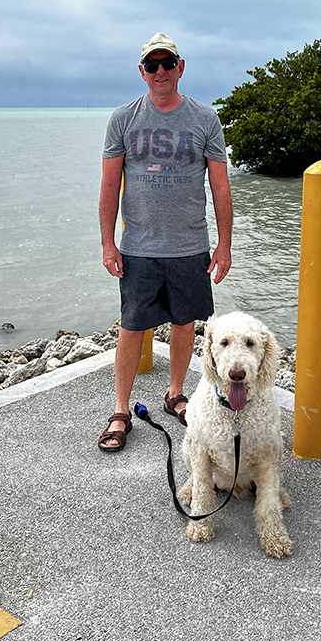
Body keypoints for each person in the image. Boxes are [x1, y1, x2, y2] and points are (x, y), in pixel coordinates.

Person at [98, 32, 233, 451]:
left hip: (190, 245)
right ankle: (121, 410)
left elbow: (220, 185)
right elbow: (108, 185)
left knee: (184, 323)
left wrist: (224, 245)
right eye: (152, 65)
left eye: (167, 63)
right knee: (131, 328)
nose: (160, 72)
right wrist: (108, 243)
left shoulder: (205, 119)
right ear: (142, 72)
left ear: (181, 67)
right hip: (138, 246)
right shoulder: (123, 119)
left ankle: (175, 393)